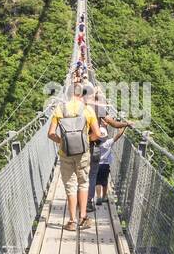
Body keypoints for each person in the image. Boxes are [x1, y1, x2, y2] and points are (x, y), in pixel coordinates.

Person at [48, 82, 100, 230]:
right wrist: (84, 141)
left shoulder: (60, 108)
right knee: (83, 183)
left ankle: (71, 221)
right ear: (81, 94)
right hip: (83, 153)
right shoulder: (88, 109)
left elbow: (51, 134)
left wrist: (63, 142)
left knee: (70, 186)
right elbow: (97, 134)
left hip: (66, 153)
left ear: (69, 93)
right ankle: (83, 217)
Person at [87, 85, 131, 211]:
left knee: (87, 176)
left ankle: (87, 199)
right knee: (99, 179)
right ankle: (94, 199)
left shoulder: (84, 107)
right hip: (101, 159)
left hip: (84, 147)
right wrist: (126, 124)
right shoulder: (100, 111)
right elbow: (115, 126)